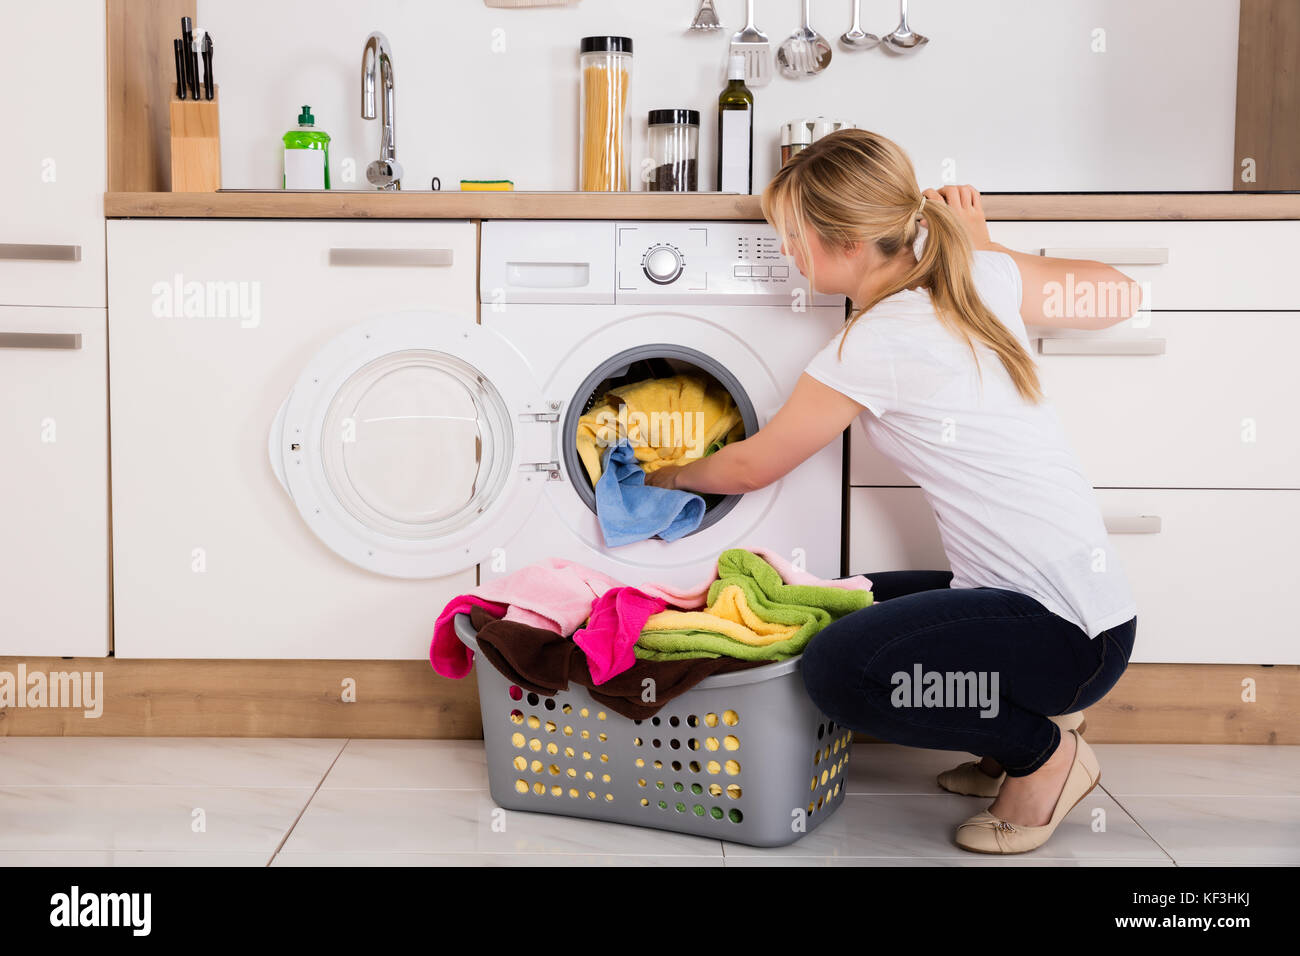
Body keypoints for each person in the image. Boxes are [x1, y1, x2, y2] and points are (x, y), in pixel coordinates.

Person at [644, 128, 1141, 854]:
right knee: (840, 600)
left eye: (792, 235)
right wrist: (984, 248)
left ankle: (1042, 754)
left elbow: (753, 466)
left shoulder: (875, 341)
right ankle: (1021, 731)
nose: (785, 251)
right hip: (1082, 616)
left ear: (844, 243)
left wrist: (664, 474)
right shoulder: (972, 281)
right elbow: (1116, 292)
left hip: (1064, 635)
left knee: (838, 669)